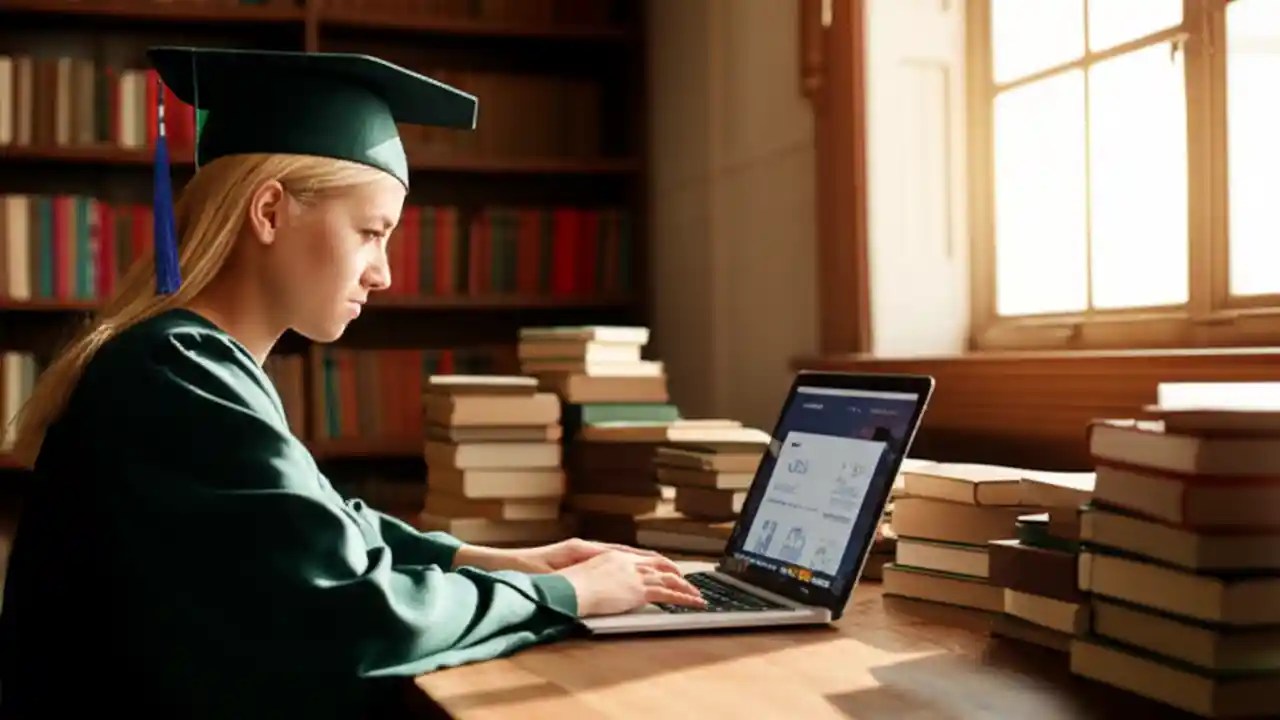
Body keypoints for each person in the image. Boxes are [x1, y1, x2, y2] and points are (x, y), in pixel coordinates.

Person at [0, 47, 704, 718]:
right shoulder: (173, 372)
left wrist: (496, 557)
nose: (384, 271)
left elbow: (317, 525)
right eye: (371, 232)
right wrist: (563, 592)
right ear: (269, 211)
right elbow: (354, 615)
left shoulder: (182, 359)